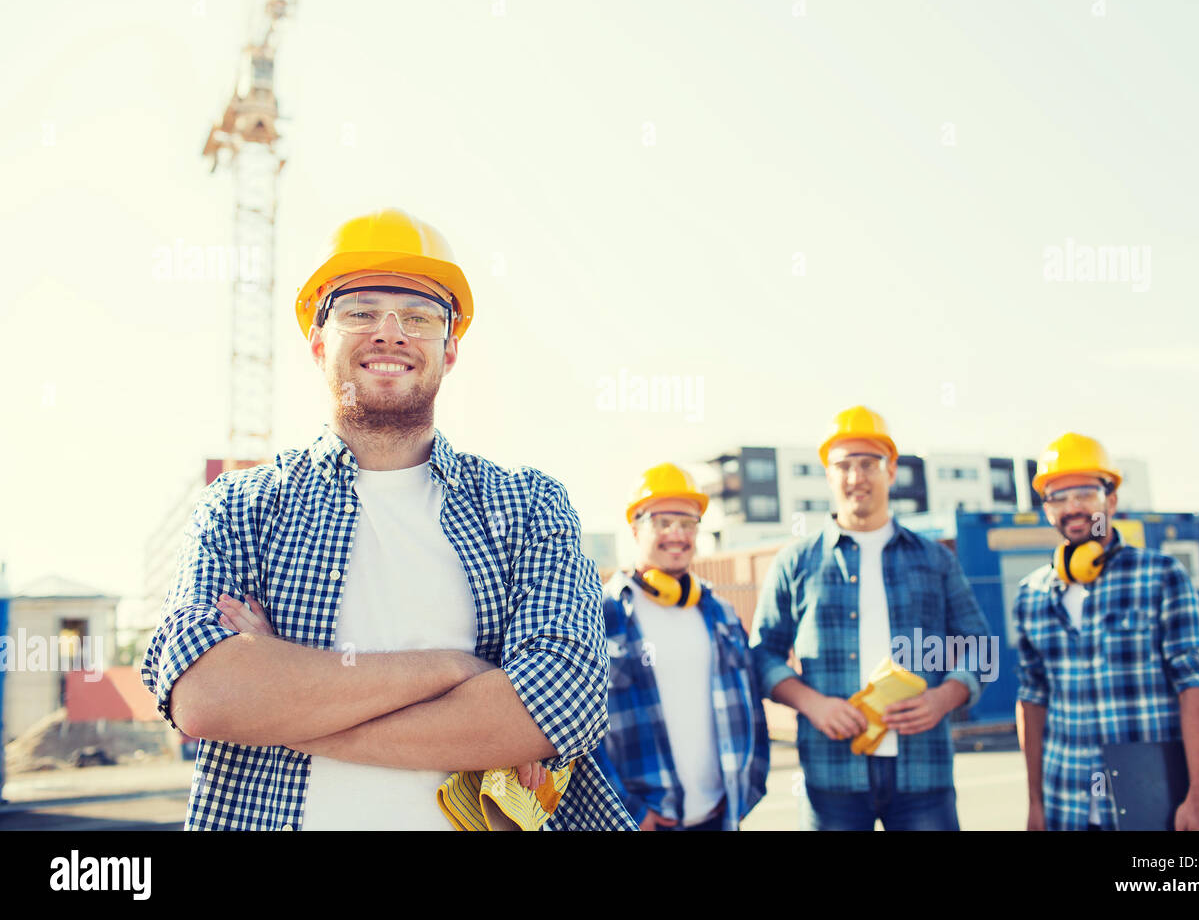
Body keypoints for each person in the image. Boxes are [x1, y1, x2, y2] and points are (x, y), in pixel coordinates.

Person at [141, 208, 635, 830]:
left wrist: (283, 703)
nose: (391, 332)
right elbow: (206, 695)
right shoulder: (241, 506)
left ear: (450, 350)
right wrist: (457, 669)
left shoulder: (530, 506)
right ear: (319, 342)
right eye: (360, 311)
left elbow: (560, 706)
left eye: (420, 316)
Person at [749, 405, 992, 830]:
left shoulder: (936, 560)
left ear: (891, 470)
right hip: (832, 774)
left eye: (869, 463)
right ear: (828, 474)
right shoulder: (796, 562)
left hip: (924, 772)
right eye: (844, 465)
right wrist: (813, 704)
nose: (856, 477)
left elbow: (978, 648)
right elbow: (762, 654)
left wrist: (943, 698)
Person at [1015, 432, 1199, 831]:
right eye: (1057, 496)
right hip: (1064, 806)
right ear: (1045, 508)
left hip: (1151, 801)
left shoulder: (1161, 576)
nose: (1072, 507)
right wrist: (1034, 803)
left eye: (1085, 493)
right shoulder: (1030, 595)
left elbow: (1194, 687)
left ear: (1111, 500)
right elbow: (1032, 700)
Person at [593, 464, 769, 830]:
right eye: (662, 521)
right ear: (634, 527)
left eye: (688, 522)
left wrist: (747, 789)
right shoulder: (599, 614)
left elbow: (751, 708)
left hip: (720, 817)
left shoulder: (720, 612)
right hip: (640, 823)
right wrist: (626, 810)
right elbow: (576, 732)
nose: (678, 534)